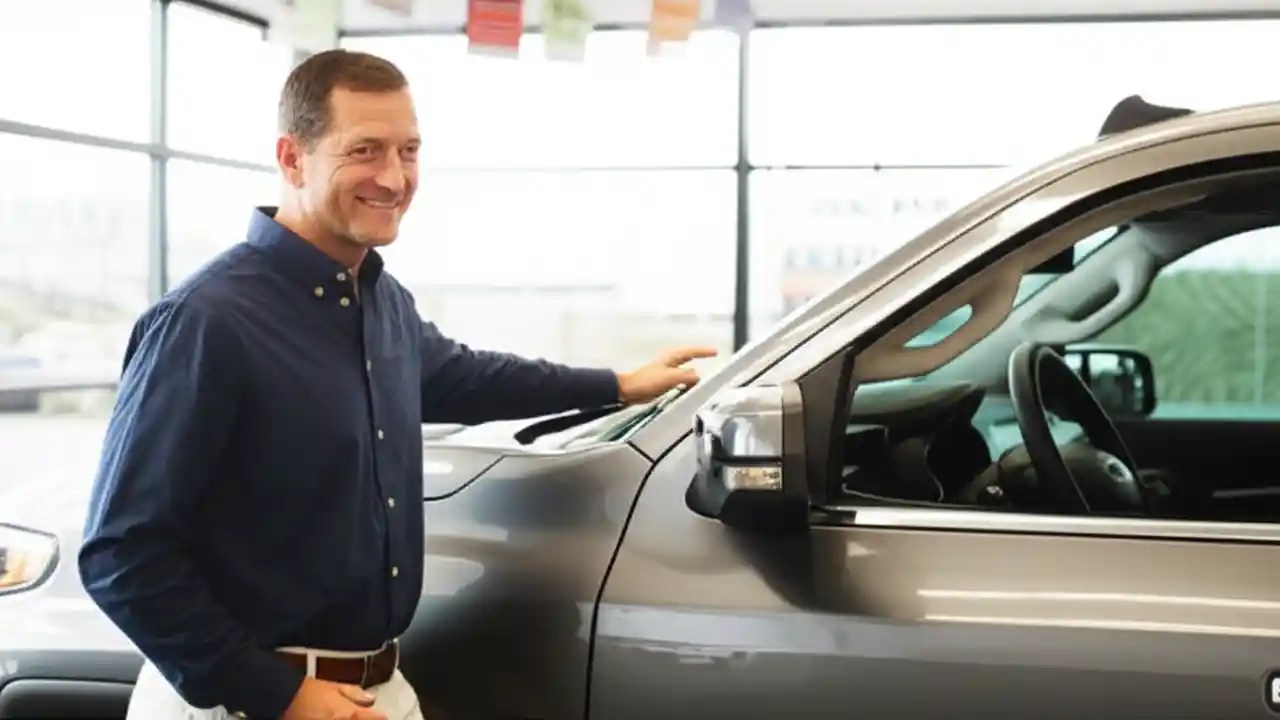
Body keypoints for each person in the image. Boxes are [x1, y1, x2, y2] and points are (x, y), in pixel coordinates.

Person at [78, 48, 716, 720]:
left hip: (376, 685)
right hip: (252, 701)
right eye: (365, 151)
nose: (394, 177)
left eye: (409, 151)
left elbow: (470, 379)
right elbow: (122, 554)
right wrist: (279, 694)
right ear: (292, 158)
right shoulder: (205, 322)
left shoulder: (382, 302)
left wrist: (619, 384)